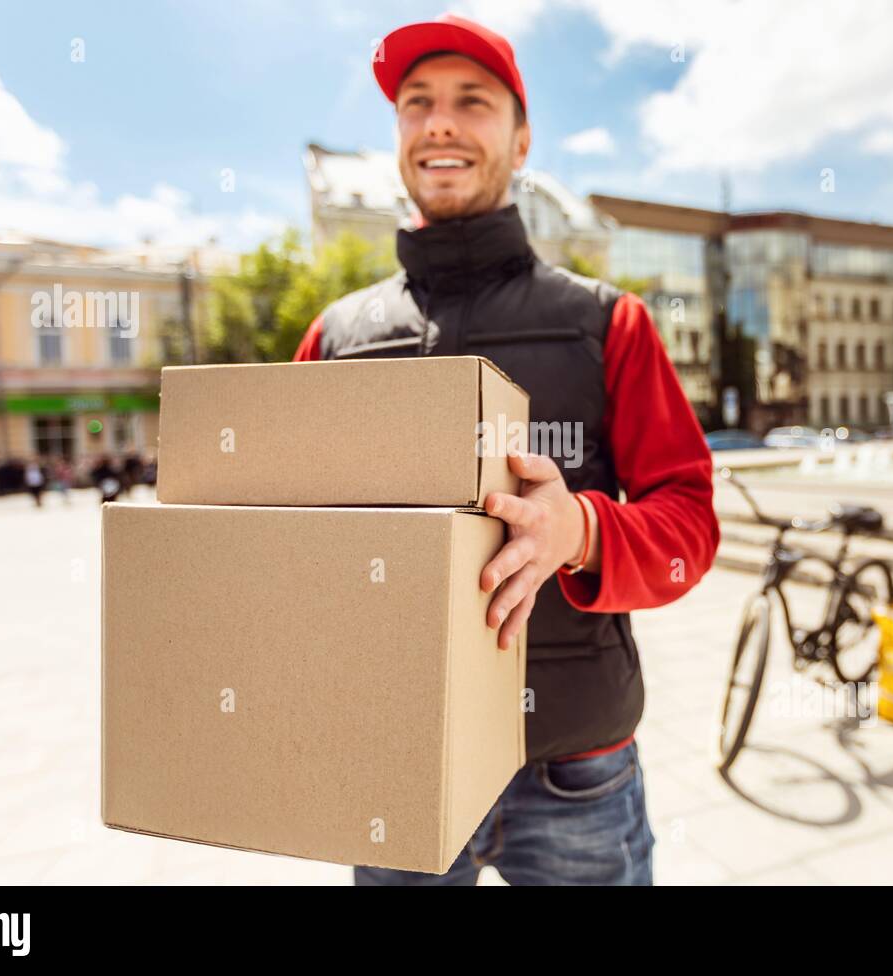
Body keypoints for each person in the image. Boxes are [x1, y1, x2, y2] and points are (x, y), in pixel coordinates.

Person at [293, 14, 719, 886]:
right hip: (393, 767)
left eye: (471, 102)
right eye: (418, 104)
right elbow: (277, 540)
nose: (440, 122)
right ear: (400, 136)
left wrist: (582, 535)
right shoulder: (335, 338)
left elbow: (690, 528)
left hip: (576, 772)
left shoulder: (610, 323)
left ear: (521, 141)